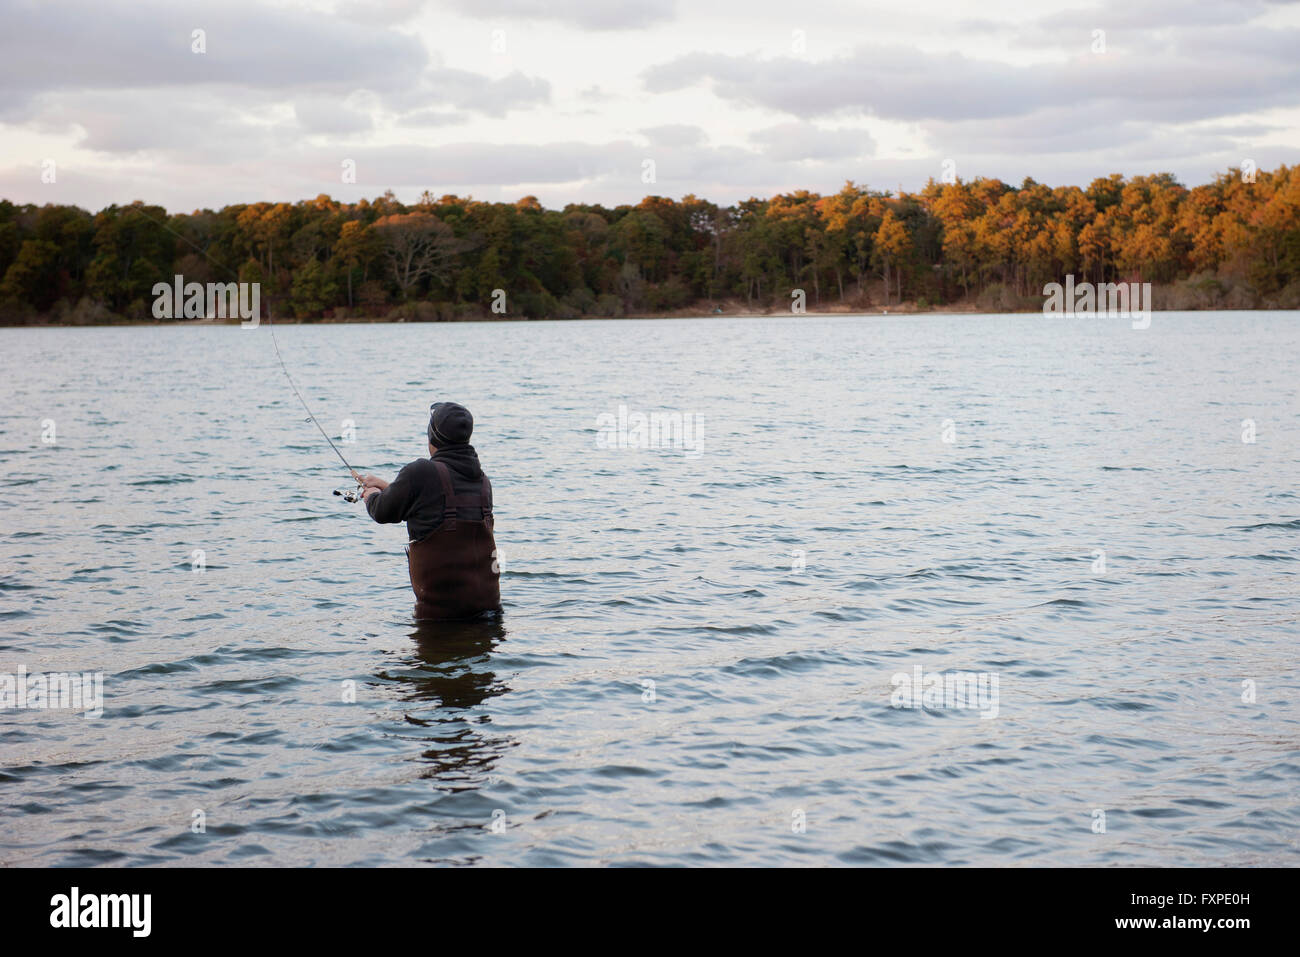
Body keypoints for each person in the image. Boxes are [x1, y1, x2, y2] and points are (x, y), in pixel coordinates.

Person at [359, 401, 501, 620]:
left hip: (441, 619)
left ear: (432, 437)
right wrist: (387, 487)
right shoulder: (483, 482)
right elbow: (434, 506)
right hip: (488, 613)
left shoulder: (420, 472)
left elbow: (383, 511)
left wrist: (370, 496)